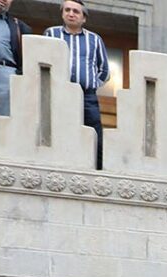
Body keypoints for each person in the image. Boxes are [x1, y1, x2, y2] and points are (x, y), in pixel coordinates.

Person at [44, 0, 109, 170]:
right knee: (57, 129)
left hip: (86, 95)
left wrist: (91, 83)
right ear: (62, 13)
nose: (71, 14)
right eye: (67, 10)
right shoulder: (51, 34)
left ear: (84, 18)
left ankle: (98, 170)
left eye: (76, 11)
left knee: (94, 133)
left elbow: (104, 70)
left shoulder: (94, 40)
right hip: (58, 93)